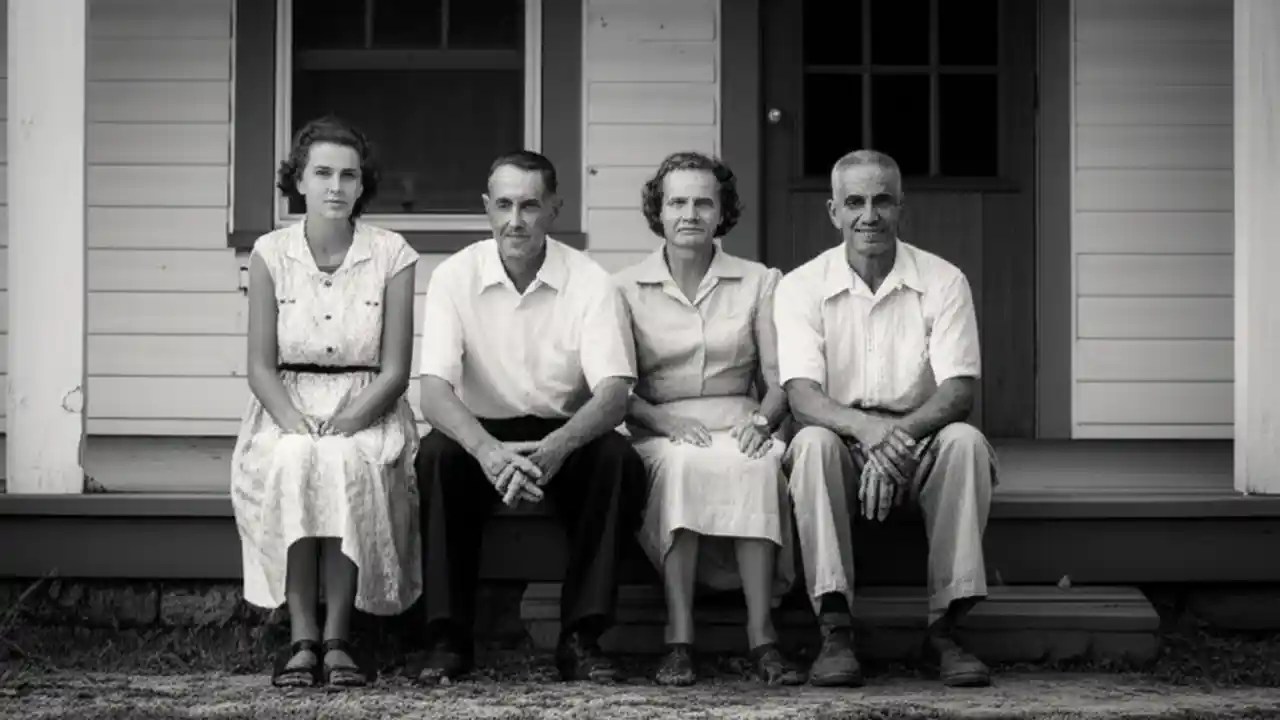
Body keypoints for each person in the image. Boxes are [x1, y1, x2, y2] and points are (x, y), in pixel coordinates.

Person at [415, 150, 647, 684]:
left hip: (563, 432)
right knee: (434, 458)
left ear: (554, 210)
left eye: (529, 206)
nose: (515, 220)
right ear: (486, 208)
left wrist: (558, 447)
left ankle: (581, 638)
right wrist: (488, 452)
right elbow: (433, 393)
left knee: (615, 460)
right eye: (503, 205)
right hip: (480, 433)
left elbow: (613, 393)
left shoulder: (590, 281)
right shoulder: (455, 276)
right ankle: (448, 640)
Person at [774, 149, 997, 688]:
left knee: (966, 443)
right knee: (810, 447)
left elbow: (958, 391)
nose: (868, 216)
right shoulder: (801, 286)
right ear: (833, 212)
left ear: (901, 207)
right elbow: (803, 396)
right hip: (843, 436)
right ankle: (835, 630)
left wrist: (893, 437)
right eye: (854, 202)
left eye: (881, 201)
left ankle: (944, 631)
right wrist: (868, 432)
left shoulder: (944, 281)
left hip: (920, 434)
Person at [231, 116, 422, 689]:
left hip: (368, 402)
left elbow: (395, 370)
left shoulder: (392, 253)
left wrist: (348, 420)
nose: (335, 186)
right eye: (322, 173)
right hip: (285, 401)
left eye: (348, 175)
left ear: (363, 185)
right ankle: (301, 637)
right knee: (292, 459)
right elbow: (260, 367)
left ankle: (340, 637)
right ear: (299, 181)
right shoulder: (270, 252)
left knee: (343, 463)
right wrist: (294, 421)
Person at [616, 152, 804, 687]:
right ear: (659, 210)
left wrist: (765, 424)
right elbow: (615, 389)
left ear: (723, 212)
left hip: (742, 420)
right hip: (661, 428)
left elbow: (779, 378)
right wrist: (663, 423)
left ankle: (763, 637)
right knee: (682, 466)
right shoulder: (625, 288)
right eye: (677, 201)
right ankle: (679, 637)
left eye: (704, 201)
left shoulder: (759, 282)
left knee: (757, 465)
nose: (690, 213)